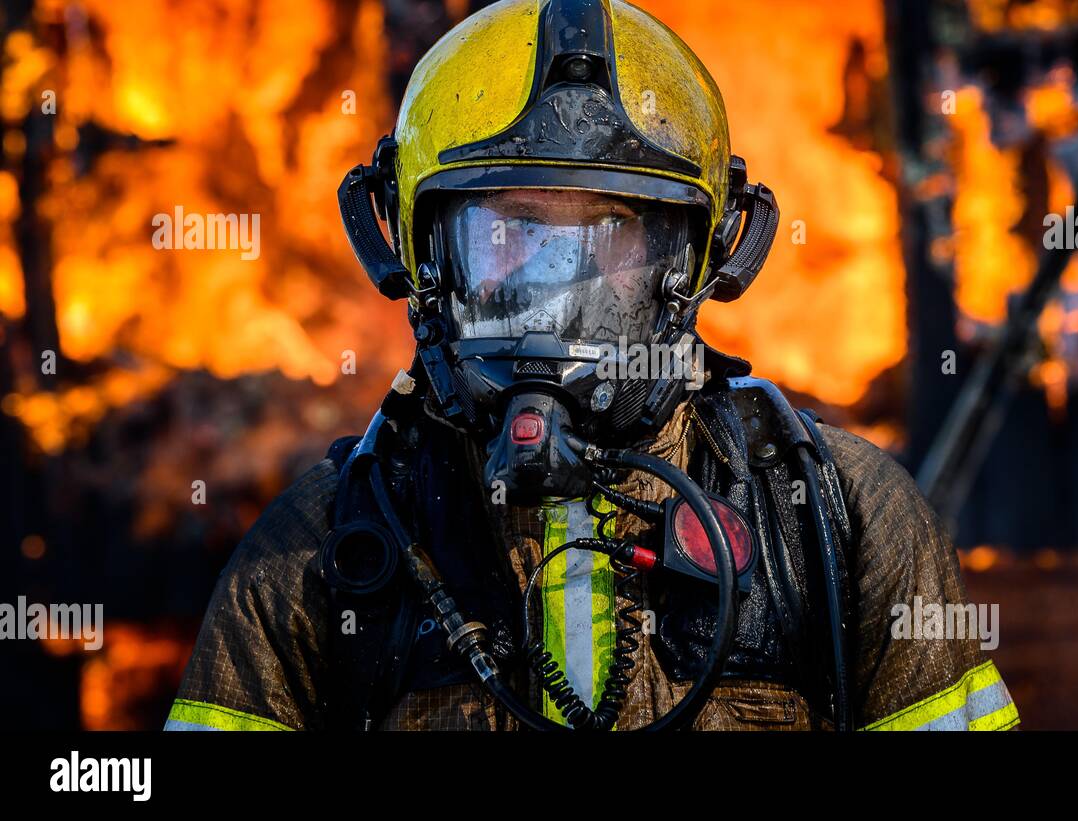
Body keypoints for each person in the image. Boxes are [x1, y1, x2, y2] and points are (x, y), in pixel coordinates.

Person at [165, 0, 1018, 732]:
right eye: (510, 228)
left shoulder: (840, 523)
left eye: (612, 234)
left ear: (697, 262)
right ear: (422, 258)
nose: (554, 294)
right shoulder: (316, 555)